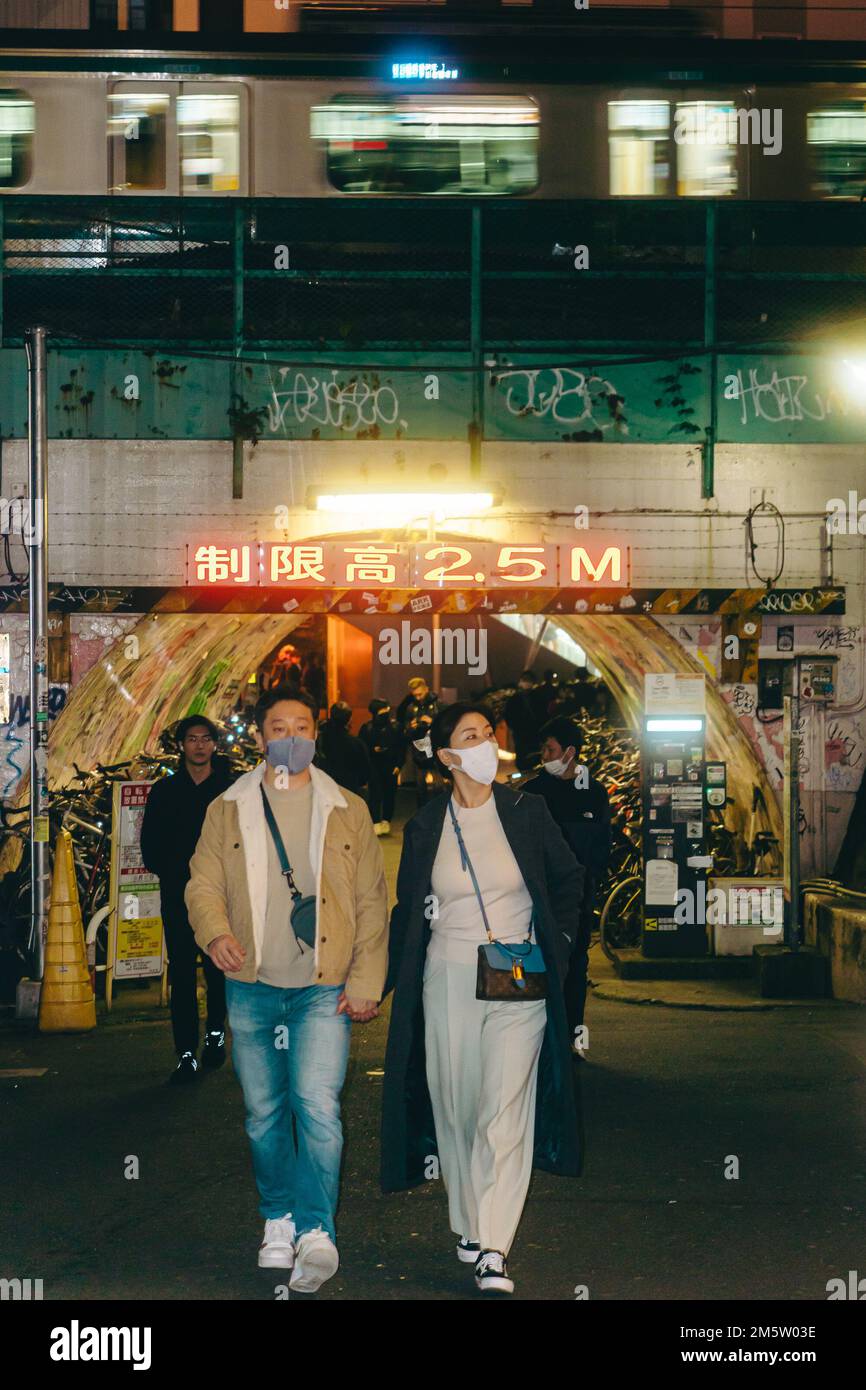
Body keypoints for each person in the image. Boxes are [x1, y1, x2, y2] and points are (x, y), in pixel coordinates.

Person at [185, 685, 389, 1291]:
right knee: (262, 1113)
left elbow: (373, 902)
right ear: (258, 736)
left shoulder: (346, 807)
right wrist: (215, 933)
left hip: (323, 987)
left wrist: (367, 980)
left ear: (315, 734)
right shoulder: (228, 806)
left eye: (302, 726)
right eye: (279, 727)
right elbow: (201, 884)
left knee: (318, 1106)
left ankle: (316, 1229)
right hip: (250, 983)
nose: (292, 737)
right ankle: (277, 1219)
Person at [381, 702, 584, 1296]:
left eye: (488, 734)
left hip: (519, 970)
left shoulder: (528, 811)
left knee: (504, 1105)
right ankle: (467, 1223)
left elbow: (569, 880)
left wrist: (563, 944)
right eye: (469, 737)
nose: (484, 744)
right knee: (457, 1102)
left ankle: (494, 1245)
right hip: (446, 974)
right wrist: (375, 980)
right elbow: (407, 913)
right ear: (446, 756)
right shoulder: (425, 827)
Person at [140, 716, 235, 1085]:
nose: (199, 745)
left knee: (218, 969)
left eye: (205, 739)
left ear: (214, 744)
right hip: (177, 894)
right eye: (192, 739)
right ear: (181, 745)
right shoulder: (164, 791)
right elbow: (150, 846)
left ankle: (214, 1034)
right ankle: (185, 1055)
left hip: (222, 896)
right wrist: (173, 873)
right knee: (180, 972)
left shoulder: (229, 792)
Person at [522, 717, 611, 1049]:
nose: (544, 754)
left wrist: (589, 884)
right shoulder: (532, 792)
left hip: (578, 899)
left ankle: (573, 1036)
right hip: (536, 897)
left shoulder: (594, 792)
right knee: (537, 962)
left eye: (551, 749)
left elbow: (603, 843)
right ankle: (538, 1039)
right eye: (544, 748)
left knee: (575, 964)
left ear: (570, 752)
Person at [359, 698, 403, 836]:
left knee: (390, 794)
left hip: (391, 766)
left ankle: (386, 821)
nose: (386, 713)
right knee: (375, 795)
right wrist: (373, 750)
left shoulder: (395, 726)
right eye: (382, 711)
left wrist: (399, 765)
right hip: (374, 766)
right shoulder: (367, 728)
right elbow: (362, 748)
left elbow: (401, 748)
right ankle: (376, 822)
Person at [396, 675, 441, 807]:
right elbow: (405, 731)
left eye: (420, 694)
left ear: (426, 689)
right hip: (419, 752)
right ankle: (423, 814)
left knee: (438, 786)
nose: (418, 698)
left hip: (436, 750)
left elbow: (447, 727)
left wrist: (432, 722)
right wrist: (411, 727)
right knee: (421, 789)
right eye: (415, 695)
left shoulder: (438, 704)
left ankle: (440, 813)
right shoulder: (410, 707)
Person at [317, 701, 371, 798]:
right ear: (349, 719)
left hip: (325, 788)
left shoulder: (320, 739)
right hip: (349, 789)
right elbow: (365, 771)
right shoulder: (356, 744)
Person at [504, 669, 541, 771]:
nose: (526, 682)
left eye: (528, 680)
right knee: (524, 758)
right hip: (523, 735)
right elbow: (508, 716)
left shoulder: (538, 697)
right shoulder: (515, 699)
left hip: (532, 734)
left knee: (532, 758)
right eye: (525, 679)